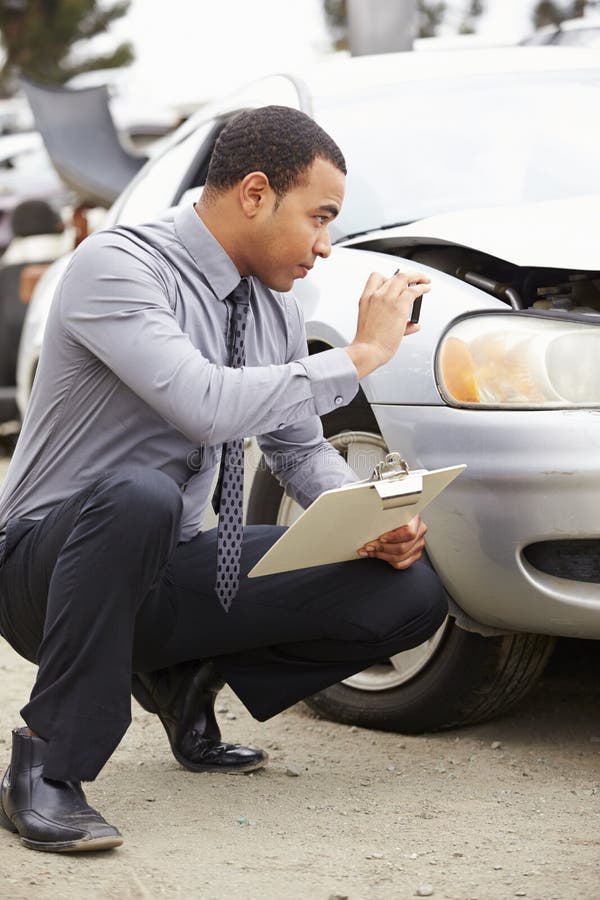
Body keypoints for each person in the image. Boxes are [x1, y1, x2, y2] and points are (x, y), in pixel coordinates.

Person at [0, 105, 445, 853]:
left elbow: (298, 450)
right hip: (44, 571)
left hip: (167, 565)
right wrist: (361, 355)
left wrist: (364, 517)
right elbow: (202, 403)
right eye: (320, 218)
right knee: (137, 495)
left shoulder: (272, 309)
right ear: (255, 193)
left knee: (410, 593)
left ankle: (184, 678)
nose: (325, 247)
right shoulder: (118, 267)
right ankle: (47, 766)